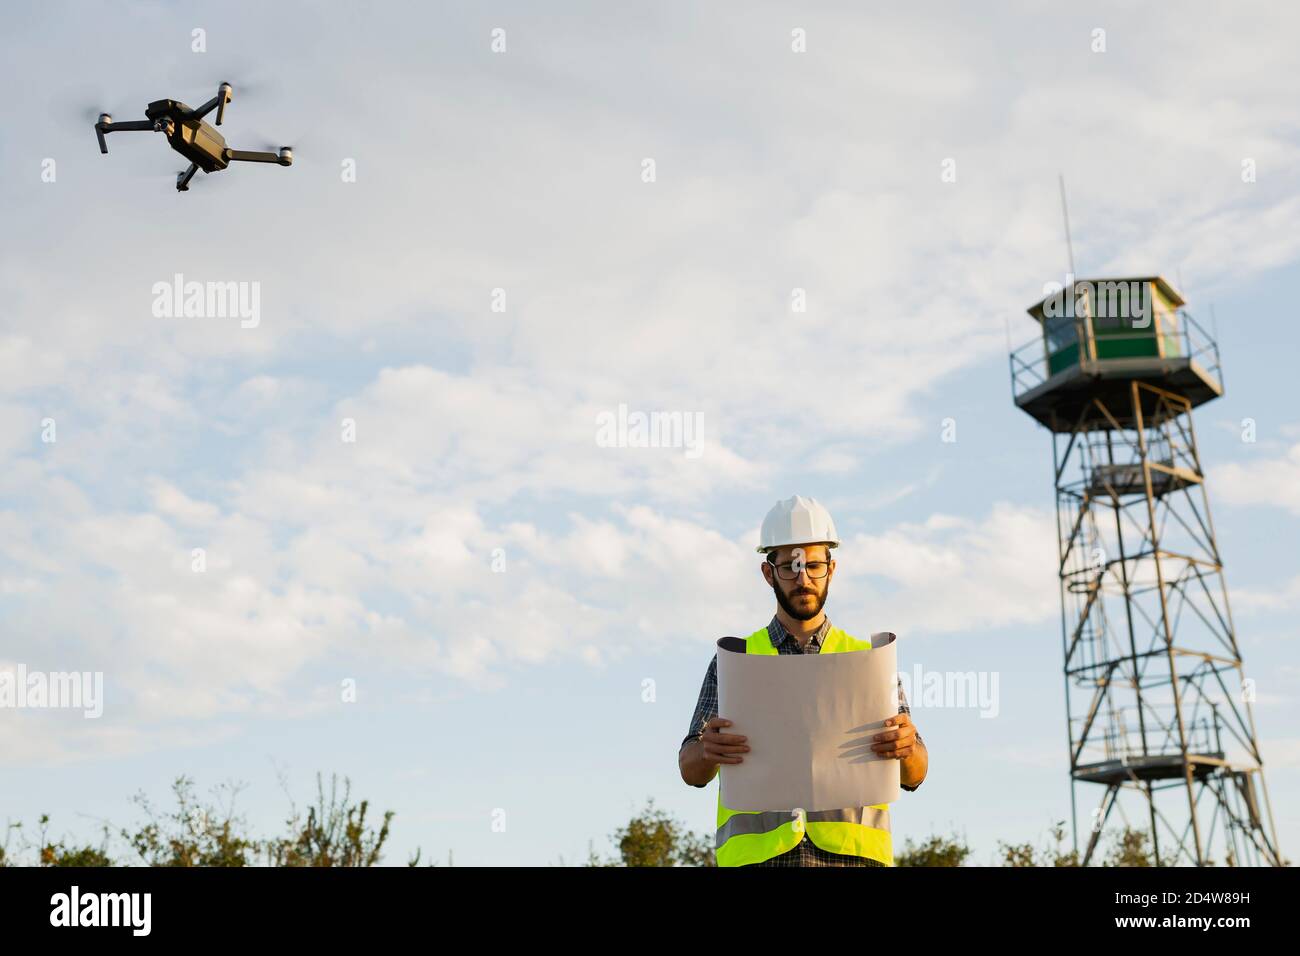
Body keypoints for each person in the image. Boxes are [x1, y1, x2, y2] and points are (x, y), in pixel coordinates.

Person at [678, 495, 928, 866]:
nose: (803, 579)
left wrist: (906, 746)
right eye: (791, 568)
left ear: (832, 568)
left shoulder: (867, 659)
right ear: (768, 573)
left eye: (814, 566)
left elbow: (915, 773)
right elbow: (690, 768)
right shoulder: (736, 661)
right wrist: (708, 751)